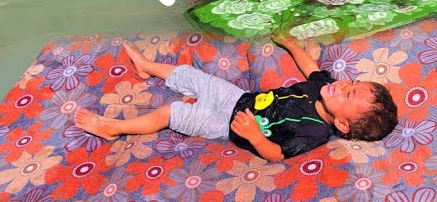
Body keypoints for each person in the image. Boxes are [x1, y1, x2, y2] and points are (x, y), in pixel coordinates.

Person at [73, 33, 398, 162]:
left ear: (341, 123)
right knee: (192, 75)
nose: (342, 85)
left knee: (169, 113)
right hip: (240, 97)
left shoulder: (315, 133)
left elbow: (277, 155)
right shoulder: (322, 87)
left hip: (226, 125)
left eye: (349, 93)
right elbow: (312, 67)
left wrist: (255, 136)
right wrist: (291, 44)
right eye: (351, 82)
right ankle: (146, 67)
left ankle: (114, 127)